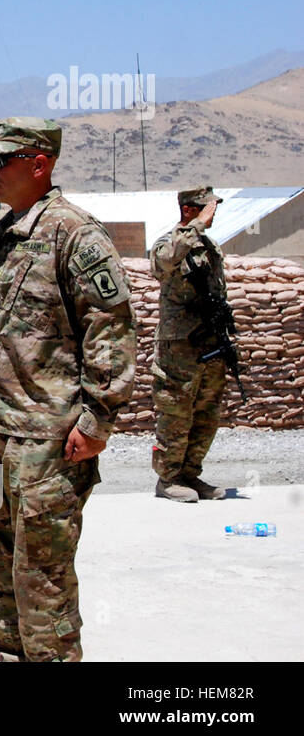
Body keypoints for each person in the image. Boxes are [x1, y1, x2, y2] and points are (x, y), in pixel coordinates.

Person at [0, 117, 137, 662]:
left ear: (40, 164)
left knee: (42, 575)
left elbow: (109, 325)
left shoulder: (74, 234)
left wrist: (98, 419)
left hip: (45, 439)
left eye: (0, 161)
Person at [150, 186, 229, 502]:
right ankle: (168, 479)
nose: (213, 214)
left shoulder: (210, 247)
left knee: (206, 412)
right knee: (176, 411)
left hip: (210, 343)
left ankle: (190, 474)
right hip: (180, 346)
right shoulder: (167, 244)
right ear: (188, 210)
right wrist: (194, 227)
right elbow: (163, 263)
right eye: (207, 208)